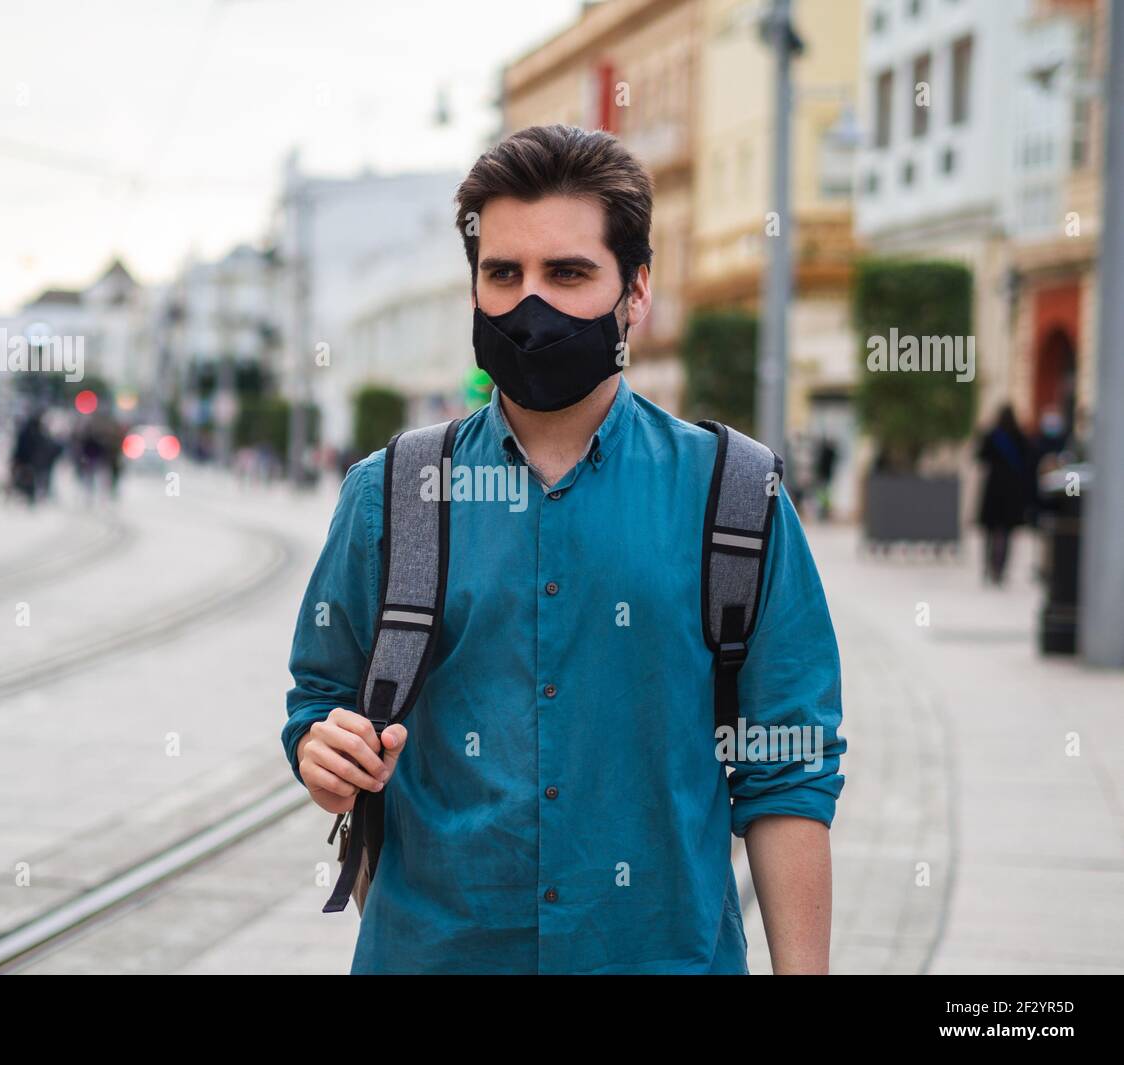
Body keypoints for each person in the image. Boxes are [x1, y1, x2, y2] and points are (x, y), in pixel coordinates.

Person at [283, 125, 846, 975]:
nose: (529, 304)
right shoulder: (392, 491)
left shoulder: (736, 498)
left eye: (569, 273)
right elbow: (320, 695)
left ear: (637, 291)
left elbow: (790, 769)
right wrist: (318, 748)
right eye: (502, 274)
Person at [975, 404, 1035, 585]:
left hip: (994, 489)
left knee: (990, 532)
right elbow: (1029, 461)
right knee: (1006, 533)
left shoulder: (992, 436)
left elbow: (981, 457)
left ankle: (987, 566)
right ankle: (1000, 569)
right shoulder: (1019, 436)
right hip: (1011, 491)